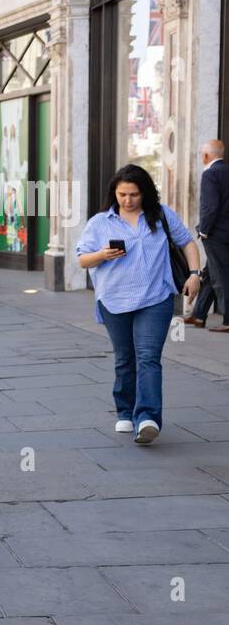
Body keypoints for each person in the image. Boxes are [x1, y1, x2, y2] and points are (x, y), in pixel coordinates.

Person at [76, 163, 203, 445]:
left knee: (148, 357)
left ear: (144, 193)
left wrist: (195, 274)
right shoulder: (100, 222)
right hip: (114, 299)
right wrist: (102, 255)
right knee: (125, 359)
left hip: (155, 298)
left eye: (134, 194)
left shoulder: (160, 216)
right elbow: (82, 259)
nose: (128, 200)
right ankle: (125, 409)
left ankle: (146, 418)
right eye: (122, 194)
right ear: (114, 193)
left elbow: (188, 243)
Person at [191, 139, 229, 332]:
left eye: (201, 155)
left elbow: (211, 206)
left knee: (220, 276)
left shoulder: (210, 173)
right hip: (225, 232)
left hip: (215, 233)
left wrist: (204, 230)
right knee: (211, 272)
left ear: (206, 156)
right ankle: (198, 315)